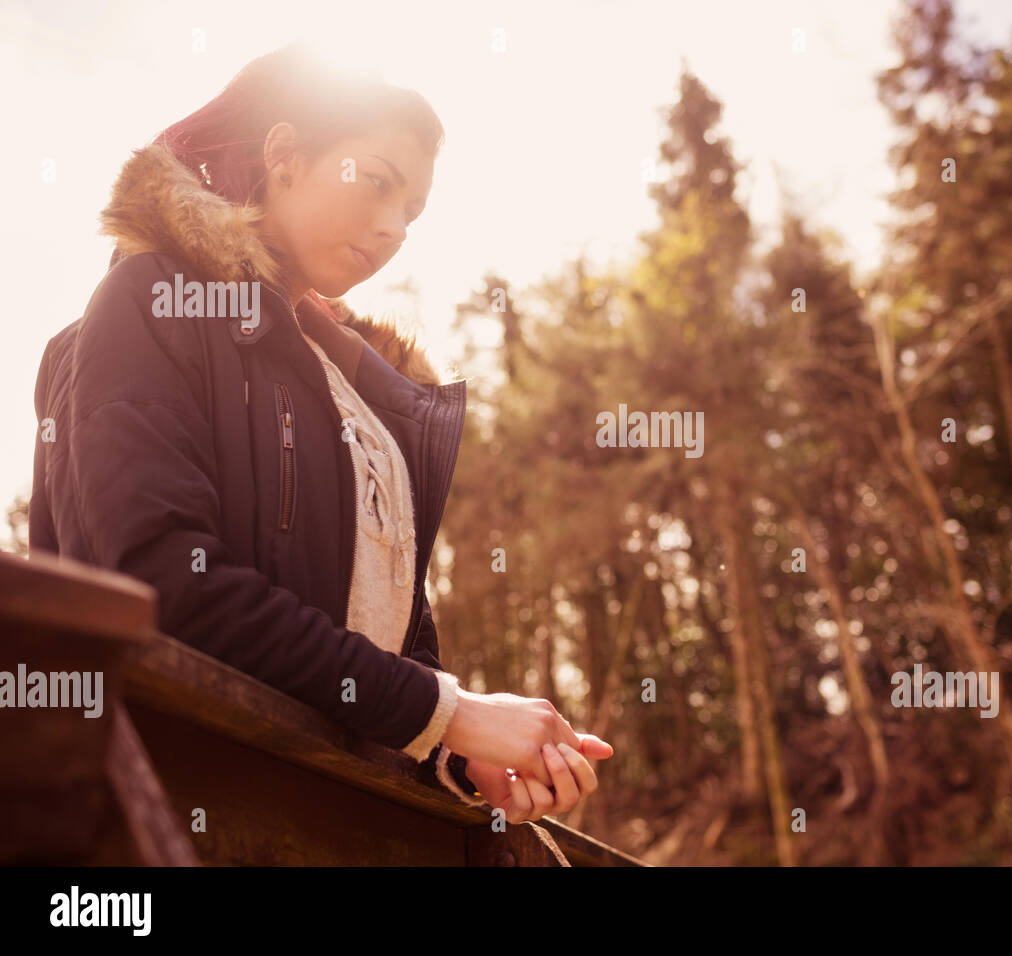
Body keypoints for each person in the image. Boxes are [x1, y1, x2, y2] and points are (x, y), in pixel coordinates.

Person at [28, 42, 610, 825]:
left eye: (413, 211)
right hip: (175, 816)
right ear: (285, 156)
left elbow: (394, 646)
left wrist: (458, 758)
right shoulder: (155, 304)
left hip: (341, 824)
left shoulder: (364, 395)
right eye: (376, 182)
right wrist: (453, 713)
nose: (394, 227)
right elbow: (163, 587)